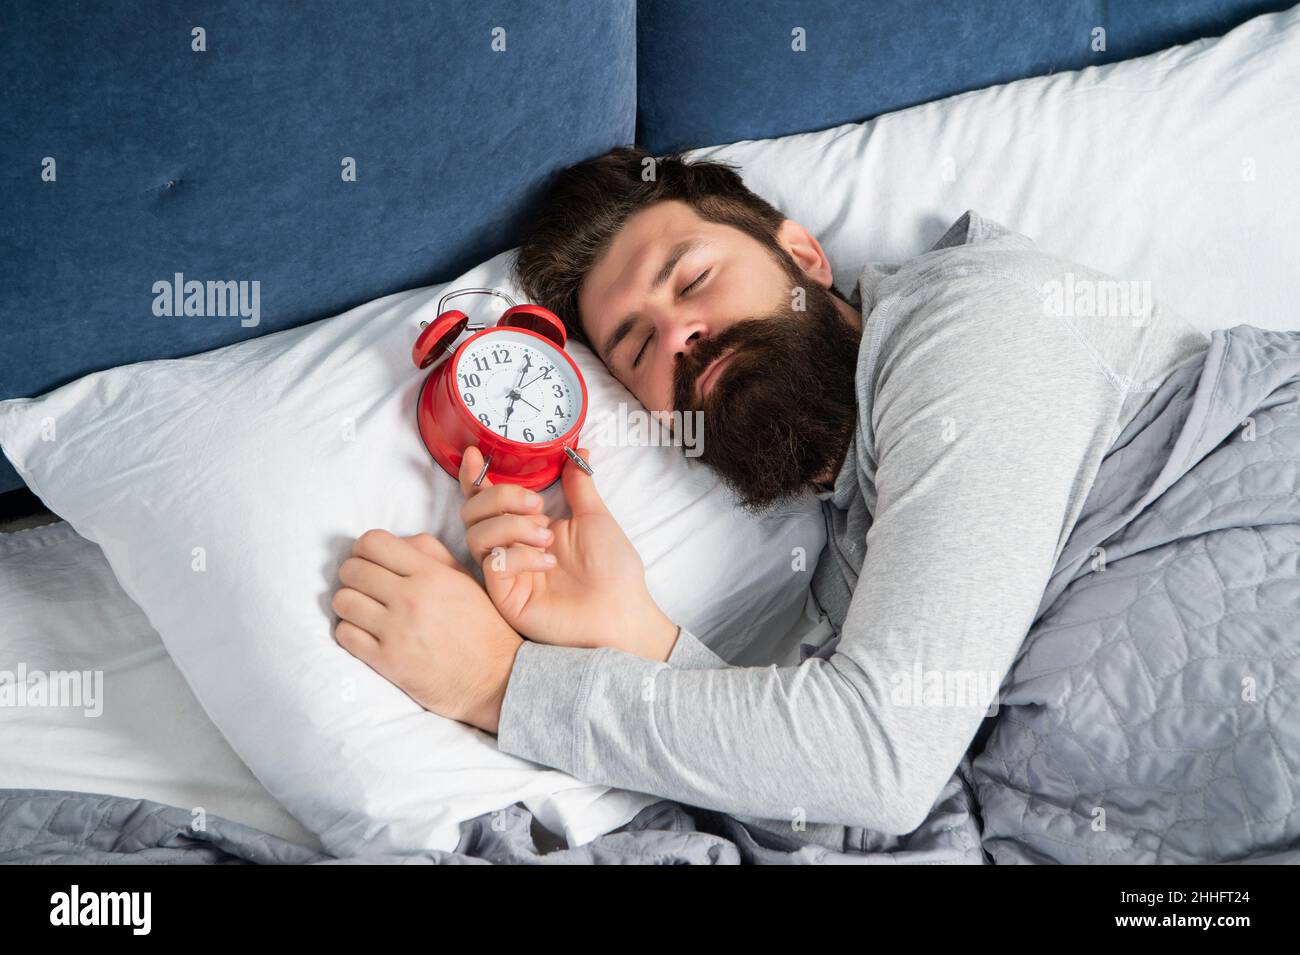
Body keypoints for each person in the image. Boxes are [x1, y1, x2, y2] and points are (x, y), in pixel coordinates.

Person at [329, 146, 1207, 849]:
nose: (679, 334)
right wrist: (633, 632)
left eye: (692, 278)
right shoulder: (847, 550)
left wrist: (499, 682)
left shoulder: (972, 321)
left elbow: (880, 762)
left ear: (802, 254)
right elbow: (836, 813)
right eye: (637, 346)